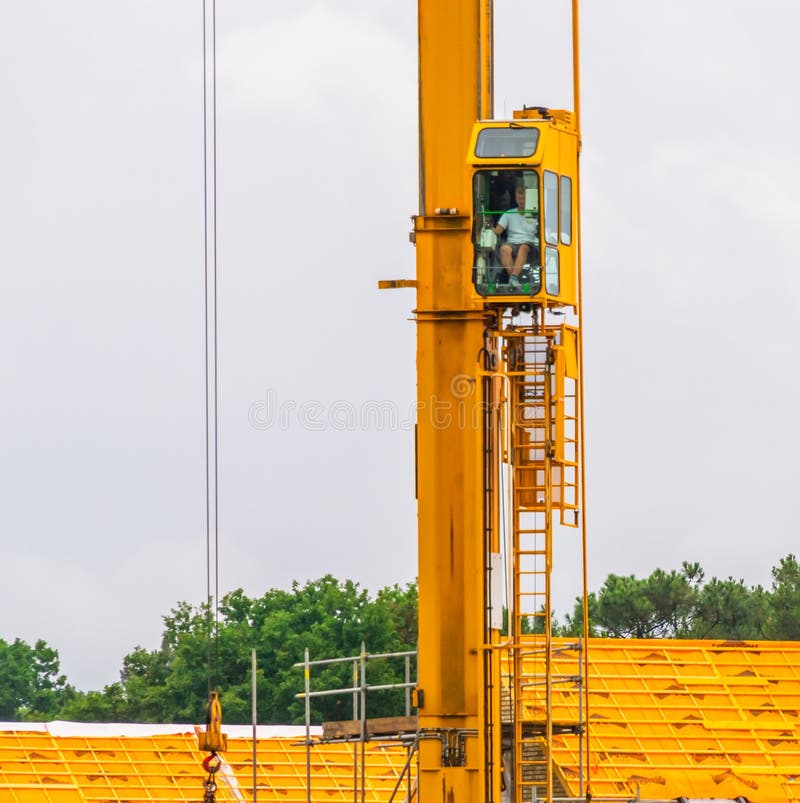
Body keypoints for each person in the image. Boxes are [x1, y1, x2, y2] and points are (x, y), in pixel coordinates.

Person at [494, 185, 539, 286]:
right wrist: (487, 226)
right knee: (504, 248)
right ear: (515, 199)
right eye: (519, 198)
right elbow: (498, 231)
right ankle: (513, 280)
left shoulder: (534, 213)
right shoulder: (509, 214)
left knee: (523, 247)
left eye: (523, 198)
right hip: (512, 243)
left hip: (529, 245)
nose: (521, 201)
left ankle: (513, 278)